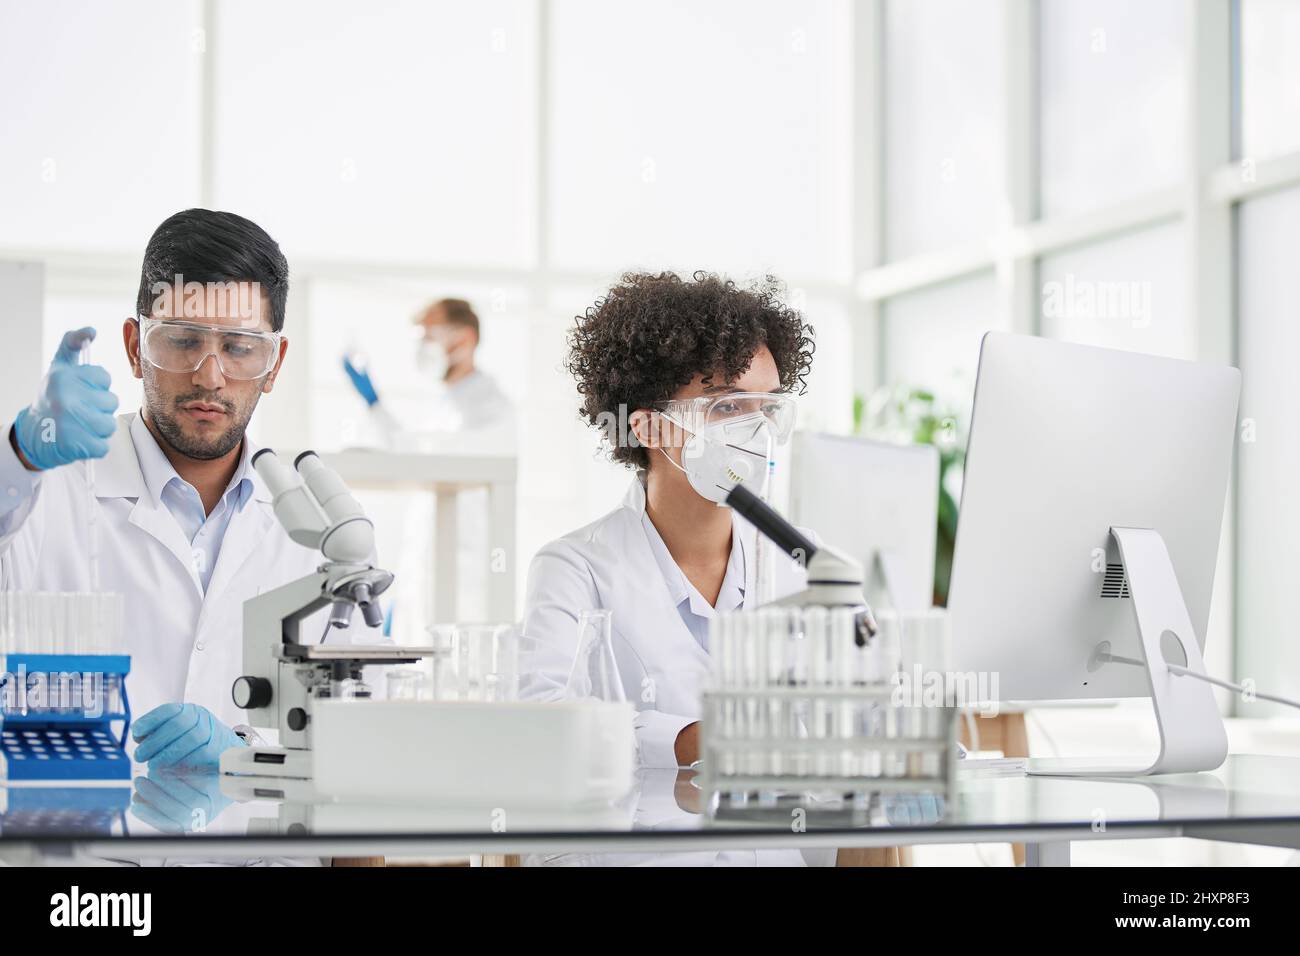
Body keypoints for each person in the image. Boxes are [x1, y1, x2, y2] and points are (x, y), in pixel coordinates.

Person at [0, 208, 366, 781]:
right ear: (133, 345)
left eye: (241, 346)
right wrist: (19, 451)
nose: (209, 375)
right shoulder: (47, 489)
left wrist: (248, 754)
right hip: (79, 849)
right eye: (182, 341)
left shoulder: (318, 532)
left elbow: (362, 736)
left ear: (274, 365)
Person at [520, 271, 830, 867]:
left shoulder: (808, 562)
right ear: (647, 424)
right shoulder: (574, 567)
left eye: (768, 406)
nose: (758, 430)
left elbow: (873, 715)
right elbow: (545, 730)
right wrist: (700, 740)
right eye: (728, 406)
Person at [343, 296, 513, 438]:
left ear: (464, 340)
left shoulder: (490, 407)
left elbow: (428, 460)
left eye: (430, 337)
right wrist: (373, 402)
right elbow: (413, 450)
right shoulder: (448, 402)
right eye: (421, 340)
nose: (423, 348)